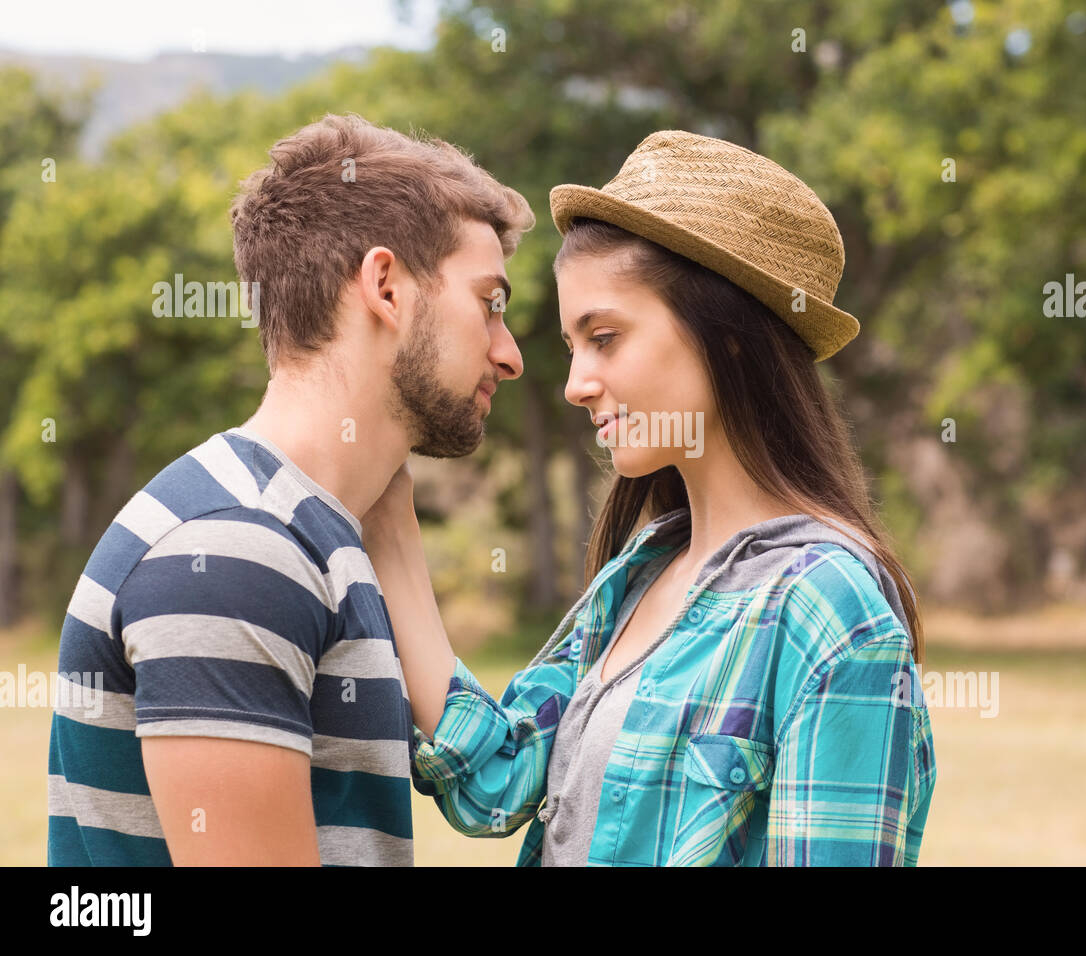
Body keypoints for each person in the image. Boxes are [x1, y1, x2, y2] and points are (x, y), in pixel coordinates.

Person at [388, 130, 938, 865]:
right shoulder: (641, 573)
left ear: (730, 337)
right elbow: (499, 781)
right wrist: (392, 535)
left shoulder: (827, 607)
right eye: (572, 347)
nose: (576, 383)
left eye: (606, 337)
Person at [46, 113, 534, 865]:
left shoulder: (314, 534)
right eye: (490, 303)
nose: (510, 355)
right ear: (386, 287)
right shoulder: (236, 552)